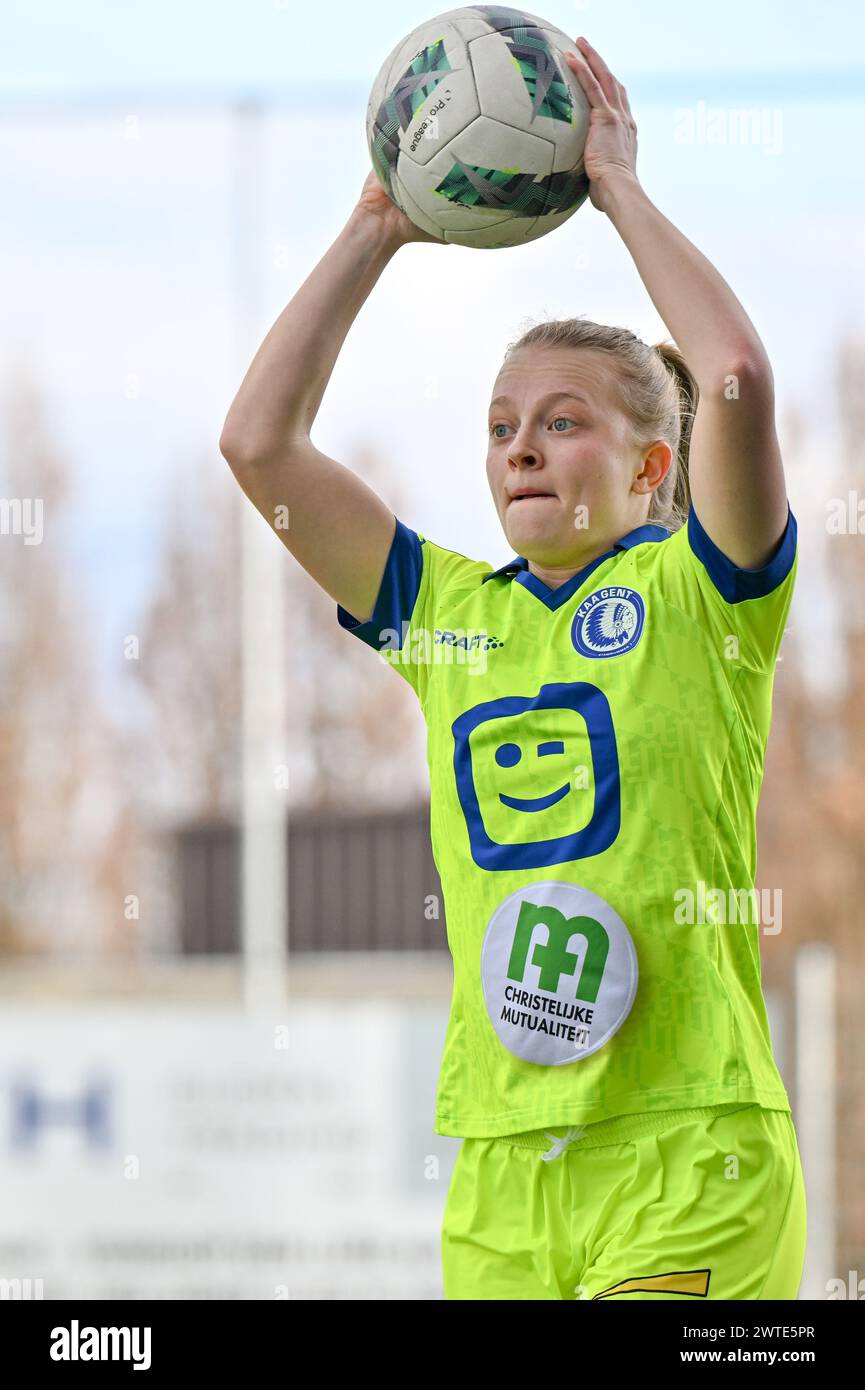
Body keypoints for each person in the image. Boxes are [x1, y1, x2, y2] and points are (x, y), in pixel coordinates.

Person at [220, 35, 806, 1300]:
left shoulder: (702, 591)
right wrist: (377, 224)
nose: (520, 451)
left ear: (654, 467)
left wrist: (620, 192)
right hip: (502, 1169)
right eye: (499, 427)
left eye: (563, 421)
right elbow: (260, 445)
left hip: (688, 1149)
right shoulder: (443, 617)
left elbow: (739, 381)